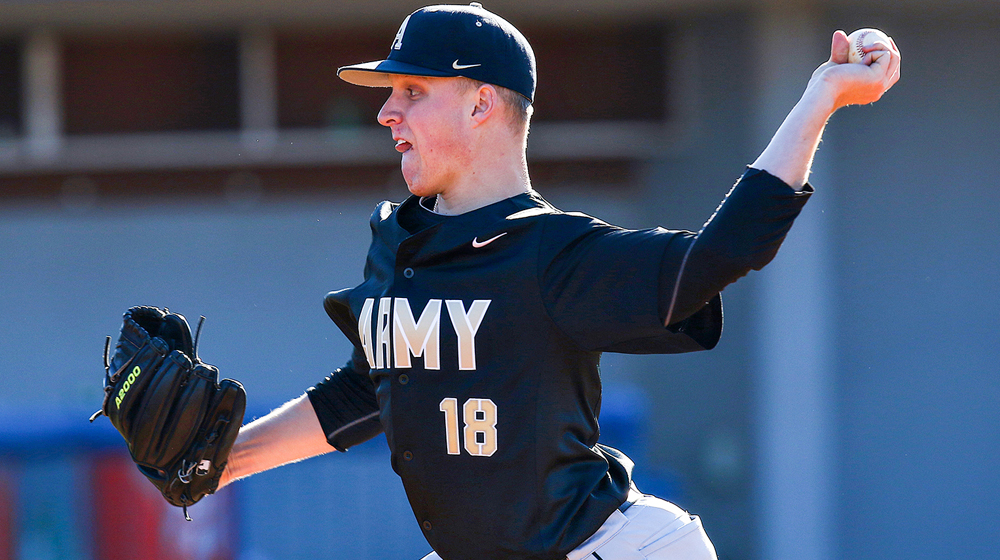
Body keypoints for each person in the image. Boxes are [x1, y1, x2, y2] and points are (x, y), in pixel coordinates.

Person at [216, 4, 900, 559]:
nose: (387, 112)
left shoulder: (552, 253)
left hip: (613, 548)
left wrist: (822, 96)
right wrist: (224, 464)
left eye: (412, 91)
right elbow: (370, 389)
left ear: (482, 103)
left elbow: (717, 256)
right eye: (391, 94)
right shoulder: (400, 249)